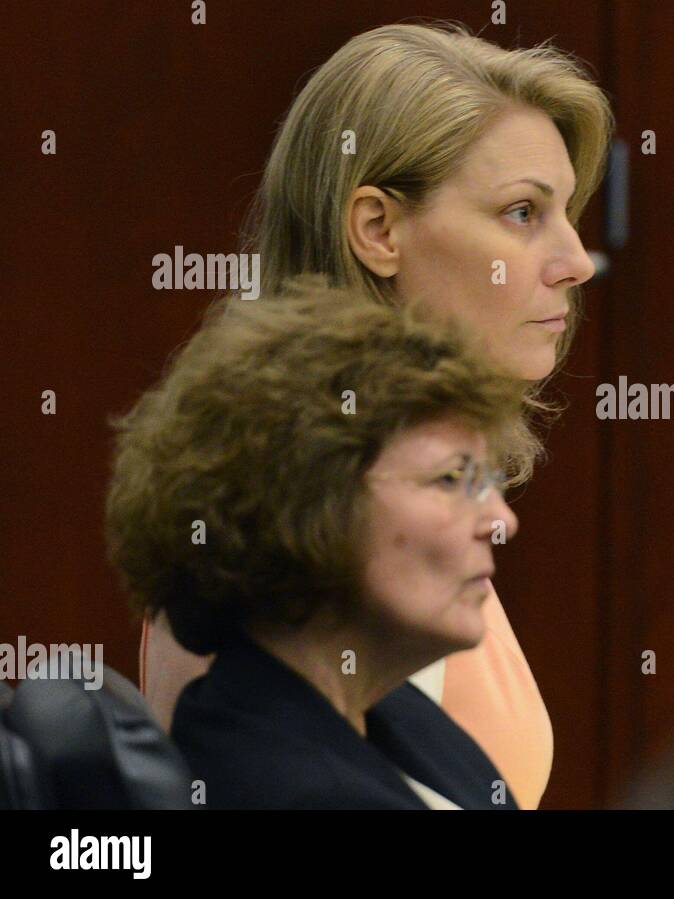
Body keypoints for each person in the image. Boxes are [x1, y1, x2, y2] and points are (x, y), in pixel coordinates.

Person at [138, 21, 614, 808]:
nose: (573, 261)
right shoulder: (313, 517)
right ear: (378, 229)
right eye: (523, 213)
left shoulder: (396, 493)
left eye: (567, 212)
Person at [108, 278, 529, 809]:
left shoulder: (396, 718)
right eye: (450, 480)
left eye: (486, 481)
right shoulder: (277, 785)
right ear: (308, 504)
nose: (501, 520)